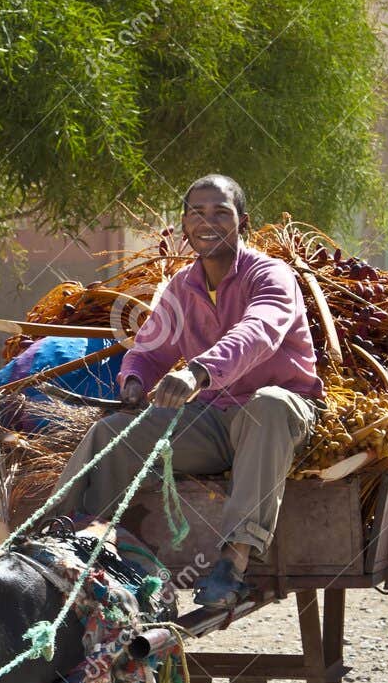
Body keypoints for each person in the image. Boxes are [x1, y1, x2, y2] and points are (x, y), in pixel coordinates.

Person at [52, 174, 323, 607]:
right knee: (114, 432)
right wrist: (135, 381)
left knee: (268, 404)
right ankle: (67, 539)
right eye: (197, 213)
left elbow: (259, 332)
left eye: (221, 212)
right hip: (216, 421)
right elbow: (150, 349)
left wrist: (198, 373)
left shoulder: (271, 275)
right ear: (184, 226)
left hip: (281, 419)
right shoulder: (182, 288)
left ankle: (233, 562)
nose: (207, 222)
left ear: (243, 222)